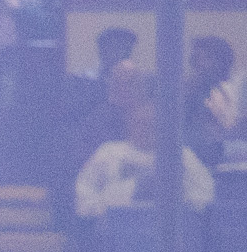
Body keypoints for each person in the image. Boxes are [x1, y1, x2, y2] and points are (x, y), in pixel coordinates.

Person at [75, 101, 215, 218]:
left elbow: (204, 195)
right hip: (117, 229)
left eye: (150, 124)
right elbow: (84, 195)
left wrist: (178, 207)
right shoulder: (108, 152)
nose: (144, 130)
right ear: (129, 125)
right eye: (139, 123)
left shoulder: (181, 156)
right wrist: (122, 199)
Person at [187, 37, 239, 171]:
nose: (199, 65)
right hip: (200, 158)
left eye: (205, 59)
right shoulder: (189, 92)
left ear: (222, 61)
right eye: (196, 59)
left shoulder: (237, 89)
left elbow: (230, 127)